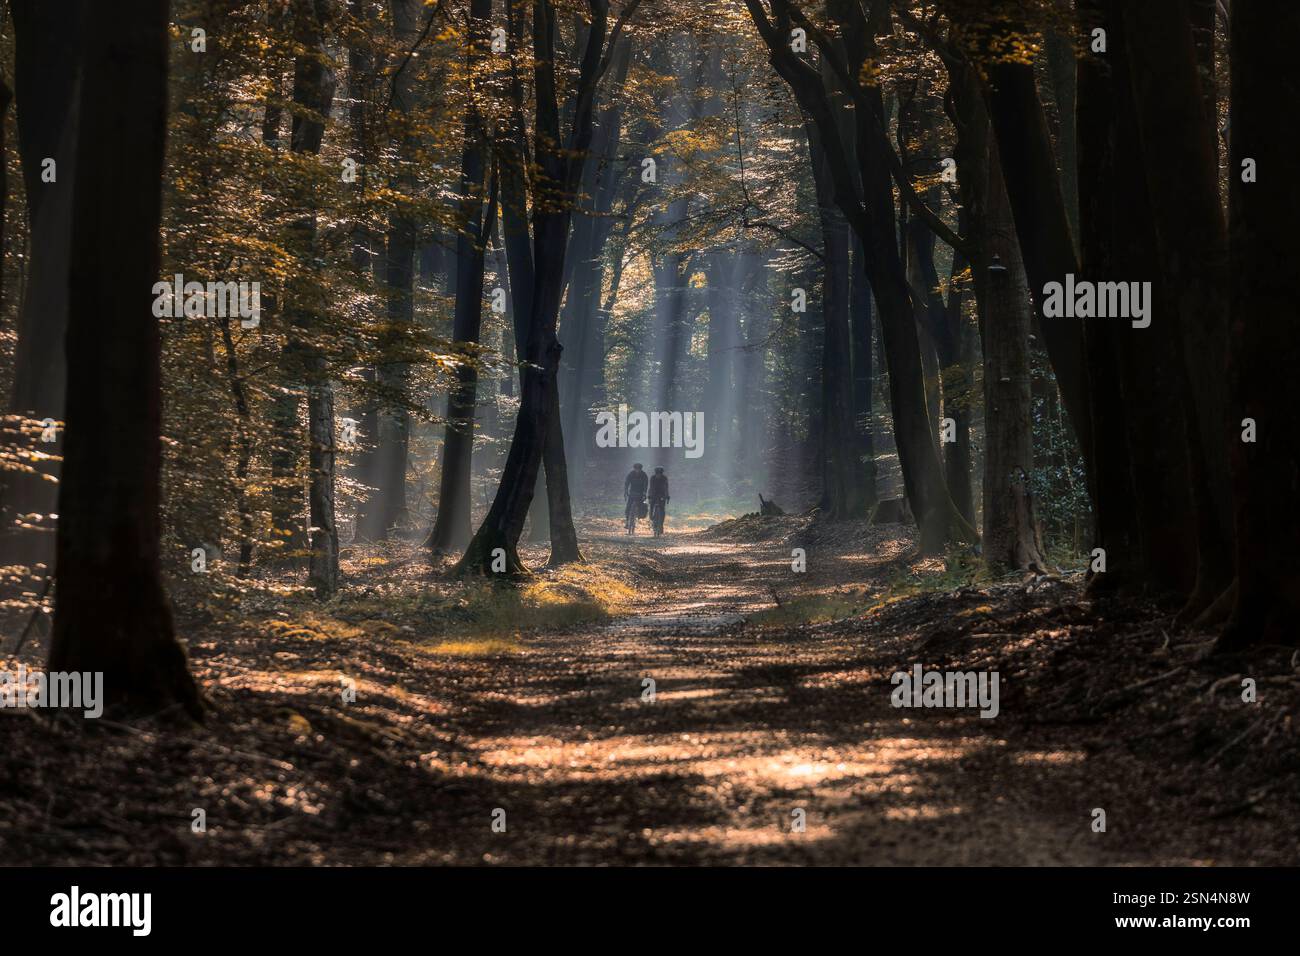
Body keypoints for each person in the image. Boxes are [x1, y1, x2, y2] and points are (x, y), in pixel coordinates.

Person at [623, 463, 648, 534]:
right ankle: (627, 522)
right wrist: (625, 491)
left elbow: (646, 485)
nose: (637, 470)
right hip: (632, 492)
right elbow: (627, 483)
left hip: (640, 493)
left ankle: (638, 516)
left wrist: (644, 493)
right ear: (634, 469)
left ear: (641, 469)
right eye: (636, 469)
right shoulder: (631, 474)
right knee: (628, 507)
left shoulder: (644, 475)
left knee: (641, 507)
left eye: (639, 469)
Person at [648, 467, 669, 536]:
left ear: (662, 473)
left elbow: (666, 487)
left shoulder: (664, 478)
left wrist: (667, 496)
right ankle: (651, 517)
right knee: (651, 506)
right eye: (657, 473)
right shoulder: (652, 478)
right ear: (655, 473)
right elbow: (651, 487)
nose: (658, 475)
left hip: (662, 495)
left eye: (660, 473)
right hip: (654, 494)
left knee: (662, 509)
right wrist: (650, 496)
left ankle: (661, 525)